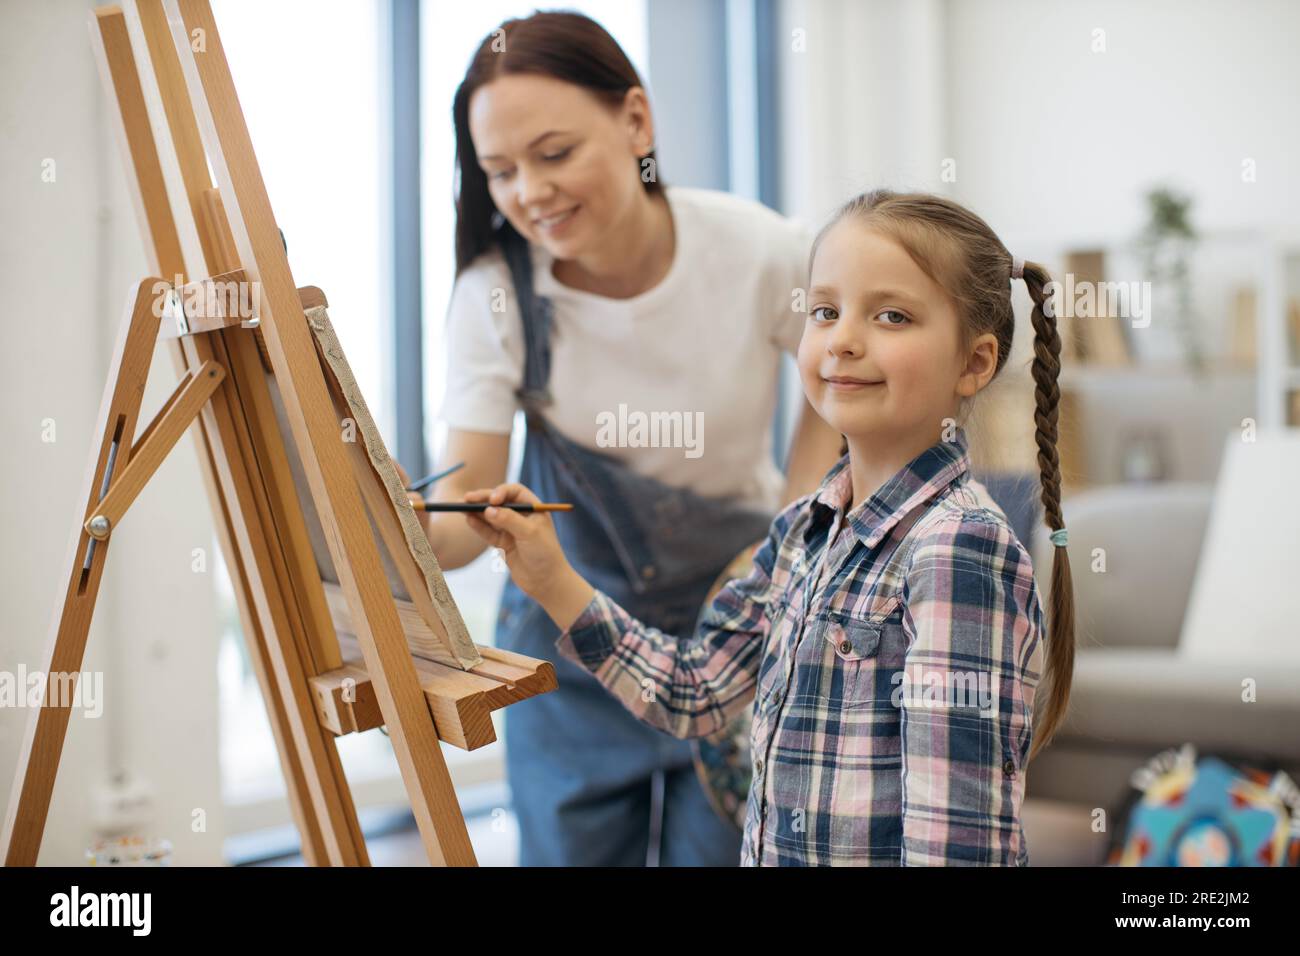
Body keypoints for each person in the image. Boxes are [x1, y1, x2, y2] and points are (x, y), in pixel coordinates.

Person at [459, 189, 1077, 865]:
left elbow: (955, 843)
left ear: (975, 363)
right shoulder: (800, 535)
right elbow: (694, 694)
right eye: (824, 311)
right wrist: (551, 577)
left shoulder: (960, 549)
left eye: (892, 316)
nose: (843, 338)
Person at [413, 10, 843, 866]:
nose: (528, 191)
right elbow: (460, 534)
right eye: (499, 171)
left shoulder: (759, 249)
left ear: (636, 121)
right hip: (570, 649)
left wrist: (794, 537)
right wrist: (391, 518)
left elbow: (833, 386)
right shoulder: (495, 293)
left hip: (735, 635)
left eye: (554, 153)